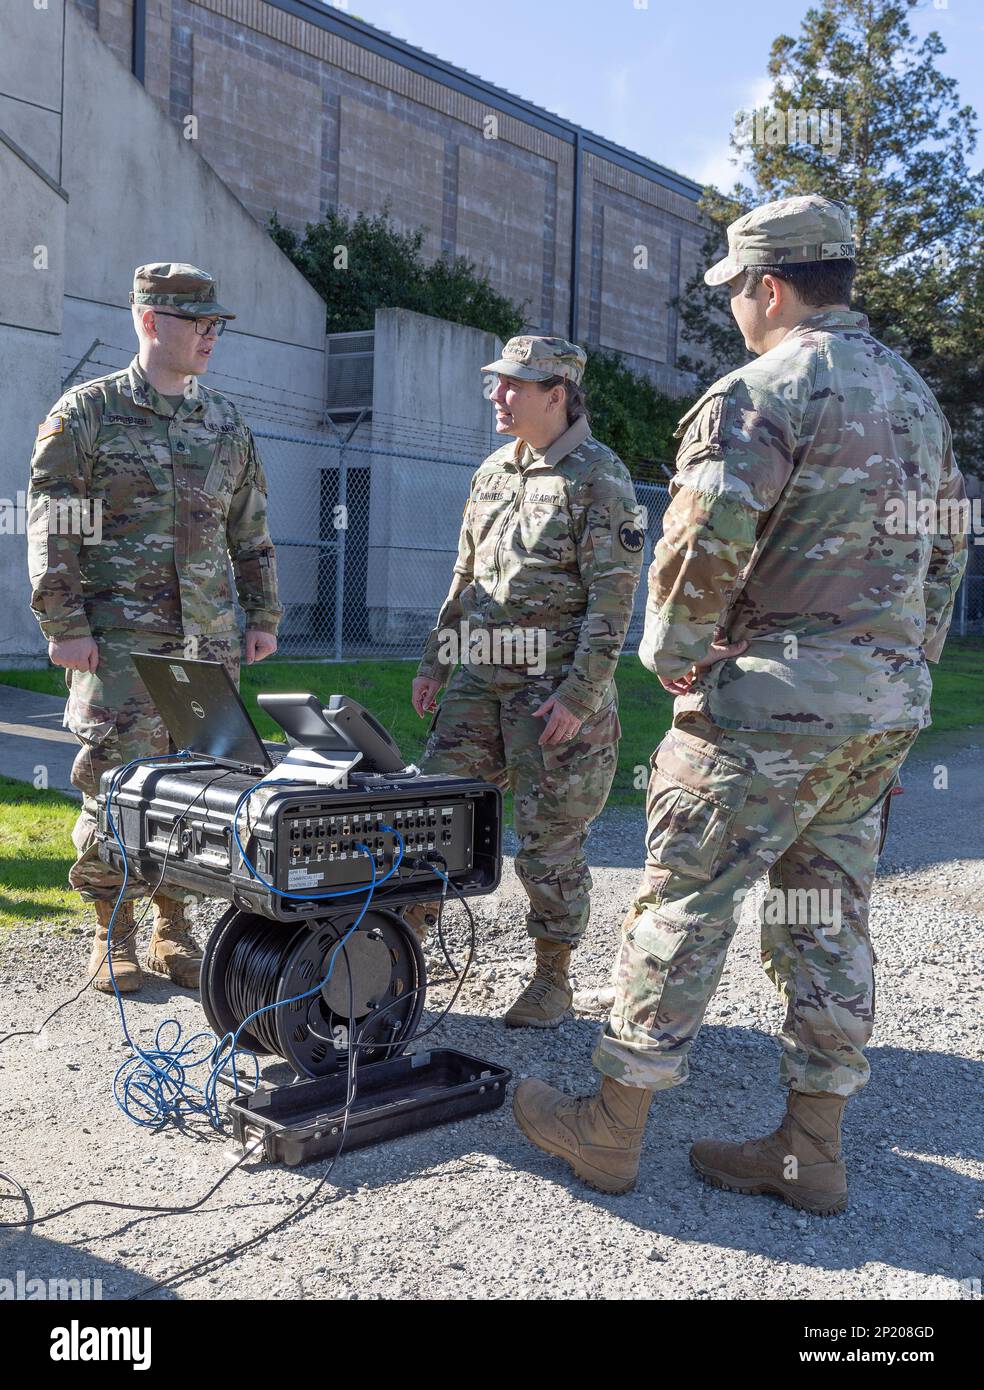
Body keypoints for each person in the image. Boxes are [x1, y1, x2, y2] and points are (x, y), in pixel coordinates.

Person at [513, 196, 968, 1203]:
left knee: (681, 905)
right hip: (878, 714)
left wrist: (672, 649)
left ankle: (610, 1129)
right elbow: (945, 553)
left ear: (770, 286)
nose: (733, 312)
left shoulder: (761, 391)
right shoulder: (916, 400)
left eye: (736, 293)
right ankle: (813, 1153)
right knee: (824, 916)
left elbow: (706, 531)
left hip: (763, 717)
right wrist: (904, 669)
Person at [27, 263, 282, 994]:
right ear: (149, 321)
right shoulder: (87, 415)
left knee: (200, 790)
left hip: (209, 646)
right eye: (196, 323)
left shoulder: (225, 421)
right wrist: (63, 622)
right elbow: (54, 529)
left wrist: (261, 616)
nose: (210, 336)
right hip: (120, 650)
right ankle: (114, 933)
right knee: (113, 784)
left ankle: (175, 924)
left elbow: (252, 529)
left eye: (215, 325)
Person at [409, 336, 644, 1027]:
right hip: (478, 680)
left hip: (551, 692)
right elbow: (465, 577)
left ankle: (553, 978)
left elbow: (613, 602)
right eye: (496, 382)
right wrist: (435, 660)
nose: (499, 396)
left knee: (550, 840)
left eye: (515, 385)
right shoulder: (492, 471)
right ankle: (402, 947)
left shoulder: (601, 480)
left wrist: (580, 695)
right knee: (432, 807)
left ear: (559, 394)